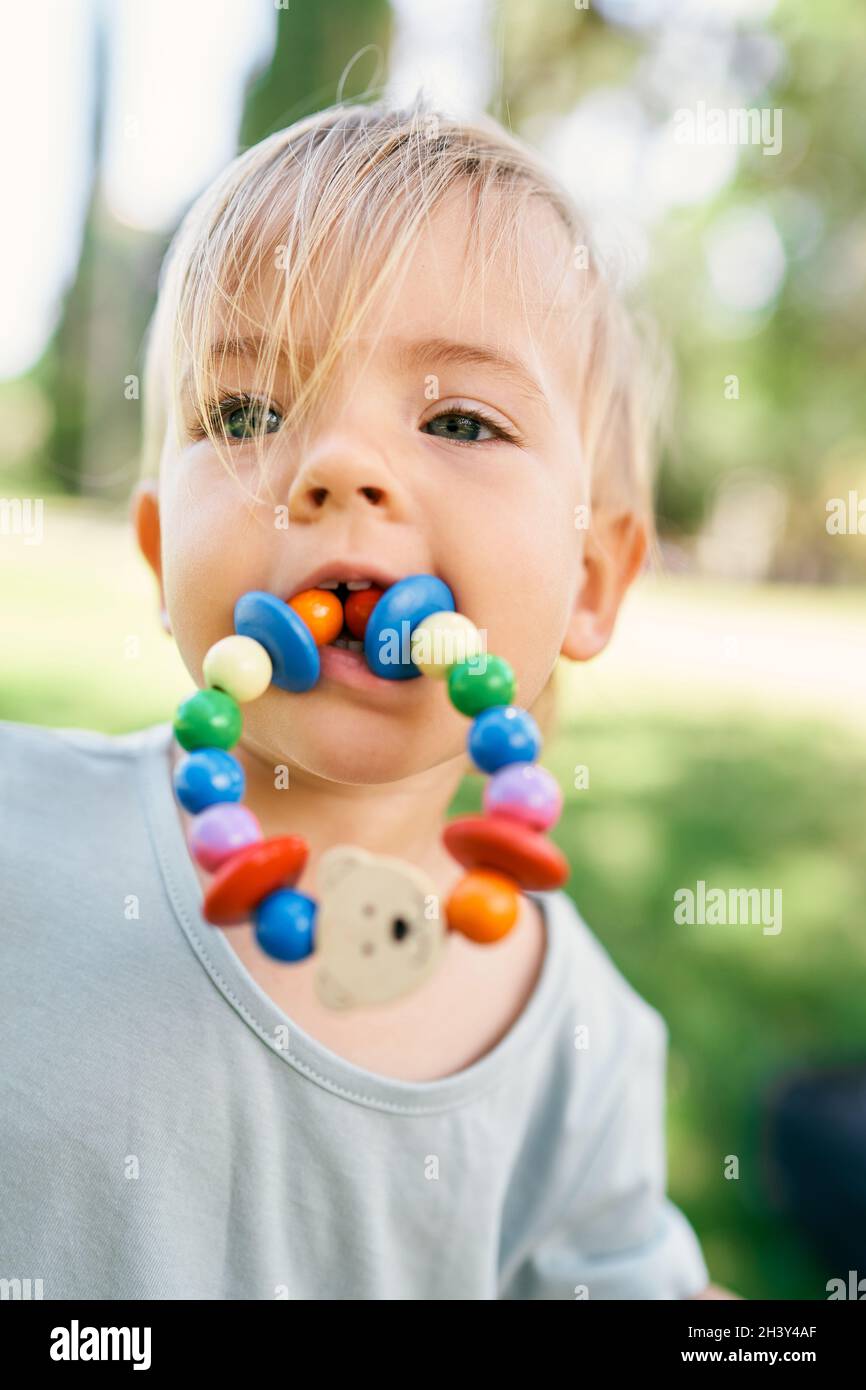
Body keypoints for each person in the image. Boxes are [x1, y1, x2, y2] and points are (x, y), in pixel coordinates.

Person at [0, 98, 733, 1299]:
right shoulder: (16, 827)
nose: (336, 466)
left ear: (590, 581)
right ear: (155, 554)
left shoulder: (582, 1050)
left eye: (458, 419)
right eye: (245, 413)